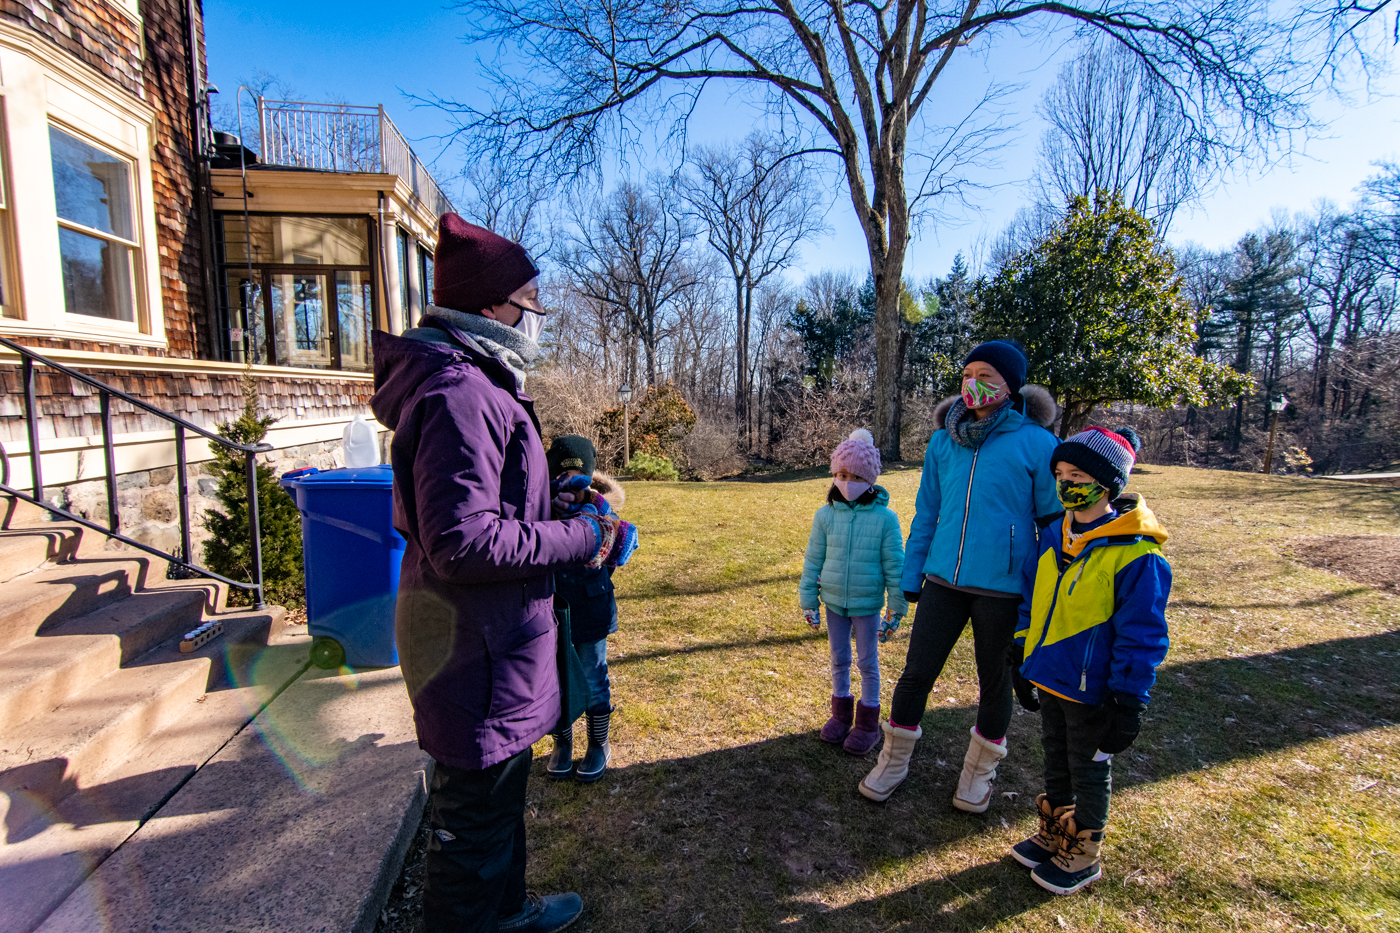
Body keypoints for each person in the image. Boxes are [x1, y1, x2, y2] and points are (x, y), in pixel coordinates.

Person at [371, 213, 631, 933]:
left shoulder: (479, 382)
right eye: (530, 305)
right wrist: (576, 537)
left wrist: (561, 499)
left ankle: (510, 912)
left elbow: (489, 501)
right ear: (491, 307)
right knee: (471, 835)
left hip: (492, 648)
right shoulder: (460, 395)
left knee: (501, 807)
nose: (535, 320)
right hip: (474, 657)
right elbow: (462, 539)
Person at [860, 340, 1060, 809]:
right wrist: (912, 574)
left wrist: (1037, 604)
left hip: (1004, 591)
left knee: (994, 684)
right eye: (968, 373)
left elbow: (1052, 529)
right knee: (914, 676)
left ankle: (978, 775)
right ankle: (893, 761)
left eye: (987, 375)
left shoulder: (1037, 443)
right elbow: (927, 512)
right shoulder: (941, 442)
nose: (974, 383)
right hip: (942, 583)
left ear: (1010, 385)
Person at [1009, 426, 1171, 895]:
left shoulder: (1138, 556)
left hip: (1095, 688)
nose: (1065, 484)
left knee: (1089, 767)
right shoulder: (1052, 535)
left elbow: (1142, 634)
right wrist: (1021, 649)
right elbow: (1030, 599)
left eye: (1077, 475)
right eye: (1060, 473)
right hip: (1049, 676)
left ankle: (1084, 851)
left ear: (1107, 483)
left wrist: (1129, 699)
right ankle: (1056, 831)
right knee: (1056, 758)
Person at [798, 429, 908, 755]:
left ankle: (867, 723)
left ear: (870, 478)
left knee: (868, 663)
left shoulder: (886, 520)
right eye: (841, 474)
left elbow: (895, 567)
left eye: (855, 475)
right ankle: (841, 715)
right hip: (833, 602)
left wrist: (896, 608)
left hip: (867, 604)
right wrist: (808, 600)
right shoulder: (825, 516)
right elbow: (812, 560)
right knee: (839, 659)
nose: (847, 481)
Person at [543, 435, 629, 782]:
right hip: (552, 609)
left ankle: (598, 743)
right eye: (562, 478)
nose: (569, 487)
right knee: (555, 678)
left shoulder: (603, 514)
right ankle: (562, 742)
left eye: (577, 477)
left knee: (594, 677)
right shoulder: (541, 511)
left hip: (592, 608)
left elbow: (613, 554)